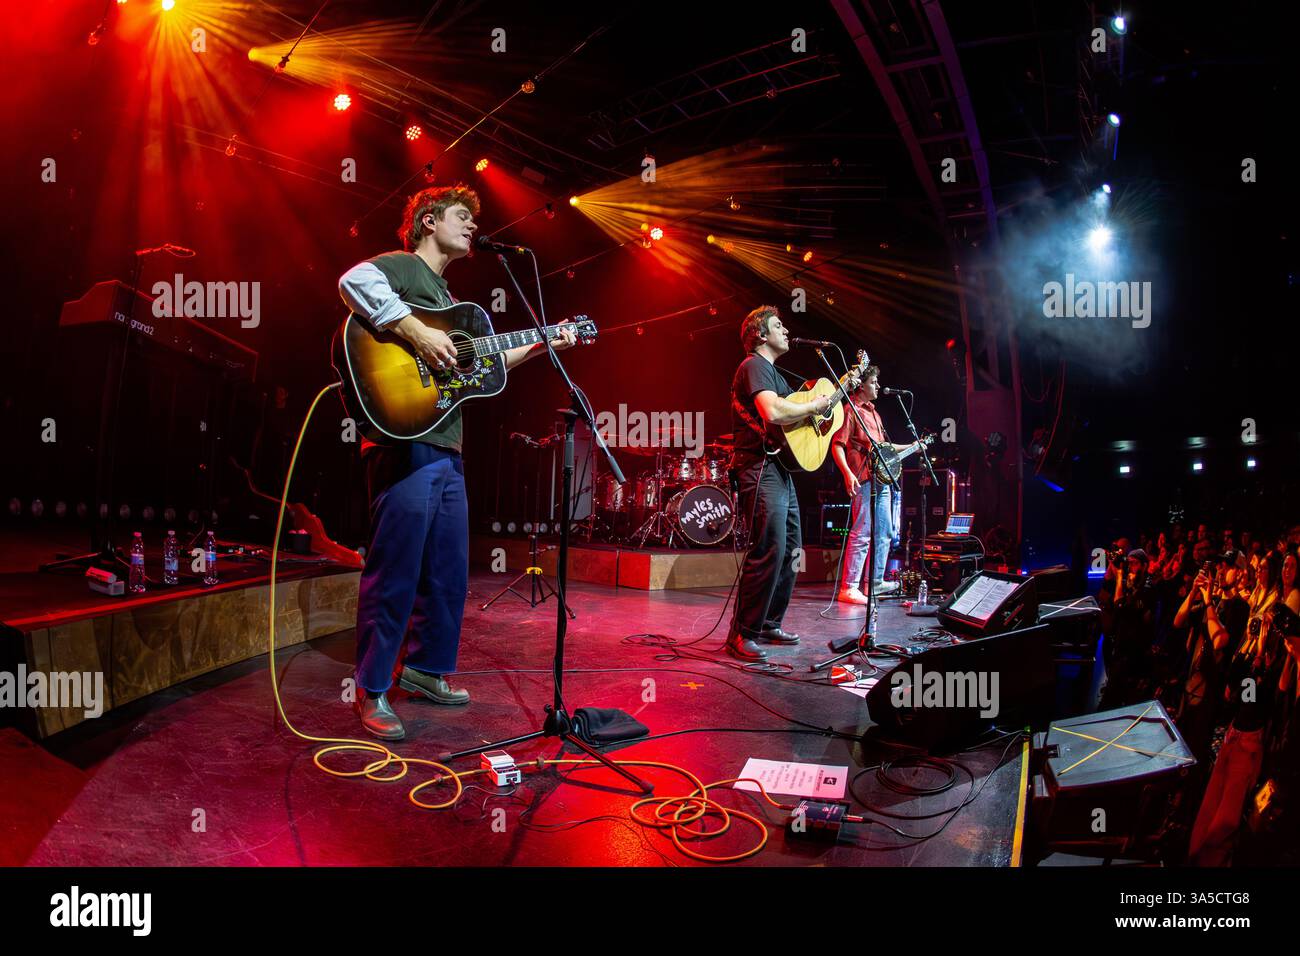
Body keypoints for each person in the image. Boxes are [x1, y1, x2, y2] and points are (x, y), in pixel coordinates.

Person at [336, 184, 576, 739]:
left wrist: (546, 342)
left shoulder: (448, 297)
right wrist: (415, 330)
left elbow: (487, 364)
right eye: (462, 216)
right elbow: (355, 282)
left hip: (446, 445)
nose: (472, 226)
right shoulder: (401, 268)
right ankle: (372, 689)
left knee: (447, 569)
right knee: (395, 567)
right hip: (404, 442)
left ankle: (424, 670)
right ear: (427, 220)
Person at [725, 305, 843, 661]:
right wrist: (817, 404)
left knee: (792, 549)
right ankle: (742, 633)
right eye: (778, 325)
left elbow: (796, 422)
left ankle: (768, 623)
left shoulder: (776, 374)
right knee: (770, 546)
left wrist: (831, 404)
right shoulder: (753, 366)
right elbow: (774, 412)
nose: (787, 330)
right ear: (761, 335)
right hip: (757, 468)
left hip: (779, 470)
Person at [831, 367, 917, 604]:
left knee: (885, 532)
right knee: (862, 532)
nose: (878, 386)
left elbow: (885, 448)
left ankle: (875, 583)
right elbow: (837, 444)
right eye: (874, 382)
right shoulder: (851, 410)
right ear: (861, 385)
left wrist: (913, 445)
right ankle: (848, 587)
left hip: (882, 479)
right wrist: (847, 473)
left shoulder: (875, 414)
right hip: (863, 477)